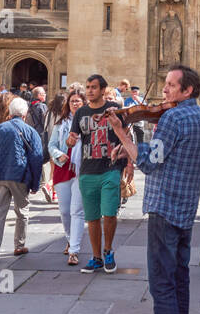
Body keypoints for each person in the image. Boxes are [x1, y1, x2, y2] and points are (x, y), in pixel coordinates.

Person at [108, 65, 200, 314]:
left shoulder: (173, 119)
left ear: (187, 90)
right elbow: (165, 155)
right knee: (179, 283)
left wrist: (123, 134)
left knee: (162, 286)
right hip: (185, 210)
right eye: (165, 84)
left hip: (164, 208)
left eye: (171, 85)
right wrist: (129, 148)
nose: (164, 91)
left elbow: (150, 163)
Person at [68, 73, 126, 274]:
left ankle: (108, 251)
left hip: (111, 168)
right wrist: (70, 140)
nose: (90, 90)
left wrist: (128, 165)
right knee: (92, 217)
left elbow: (125, 136)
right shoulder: (80, 113)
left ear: (103, 90)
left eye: (94, 87)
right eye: (88, 87)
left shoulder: (115, 109)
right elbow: (73, 136)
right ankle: (96, 257)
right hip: (87, 171)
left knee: (109, 213)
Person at [0, 94, 43, 262]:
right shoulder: (30, 131)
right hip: (20, 175)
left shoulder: (0, 129)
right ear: (25, 115)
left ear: (10, 113)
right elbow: (37, 158)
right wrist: (35, 183)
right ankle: (19, 245)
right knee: (22, 211)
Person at [48, 85, 86, 266]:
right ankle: (70, 239)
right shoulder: (61, 124)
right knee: (64, 211)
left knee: (77, 211)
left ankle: (74, 250)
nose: (75, 104)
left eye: (78, 101)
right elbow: (51, 145)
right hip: (63, 167)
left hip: (81, 169)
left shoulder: (88, 123)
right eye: (72, 101)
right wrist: (58, 154)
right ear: (68, 104)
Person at [26, 86, 52, 202]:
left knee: (35, 158)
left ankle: (39, 181)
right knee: (42, 158)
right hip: (41, 135)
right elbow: (46, 122)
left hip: (32, 135)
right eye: (44, 94)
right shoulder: (42, 106)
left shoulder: (29, 106)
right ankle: (44, 183)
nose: (45, 96)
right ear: (40, 95)